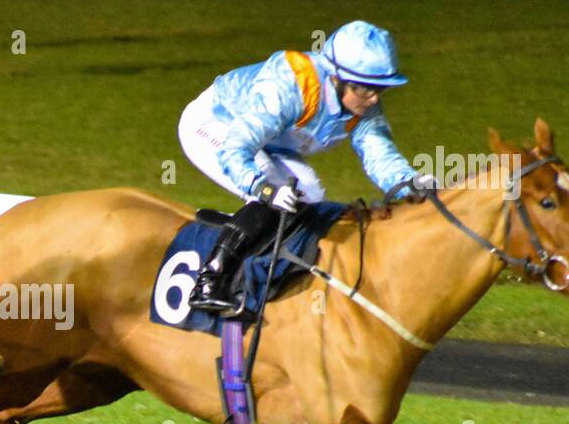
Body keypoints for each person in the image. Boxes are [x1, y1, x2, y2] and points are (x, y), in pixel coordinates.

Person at [177, 20, 436, 318]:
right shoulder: (291, 85)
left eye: (379, 89)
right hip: (216, 126)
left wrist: (409, 182)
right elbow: (236, 148)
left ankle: (264, 264)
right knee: (272, 192)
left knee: (310, 196)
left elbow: (378, 152)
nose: (374, 98)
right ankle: (210, 282)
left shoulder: (364, 103)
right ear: (337, 79)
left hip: (269, 141)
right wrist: (262, 188)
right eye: (366, 89)